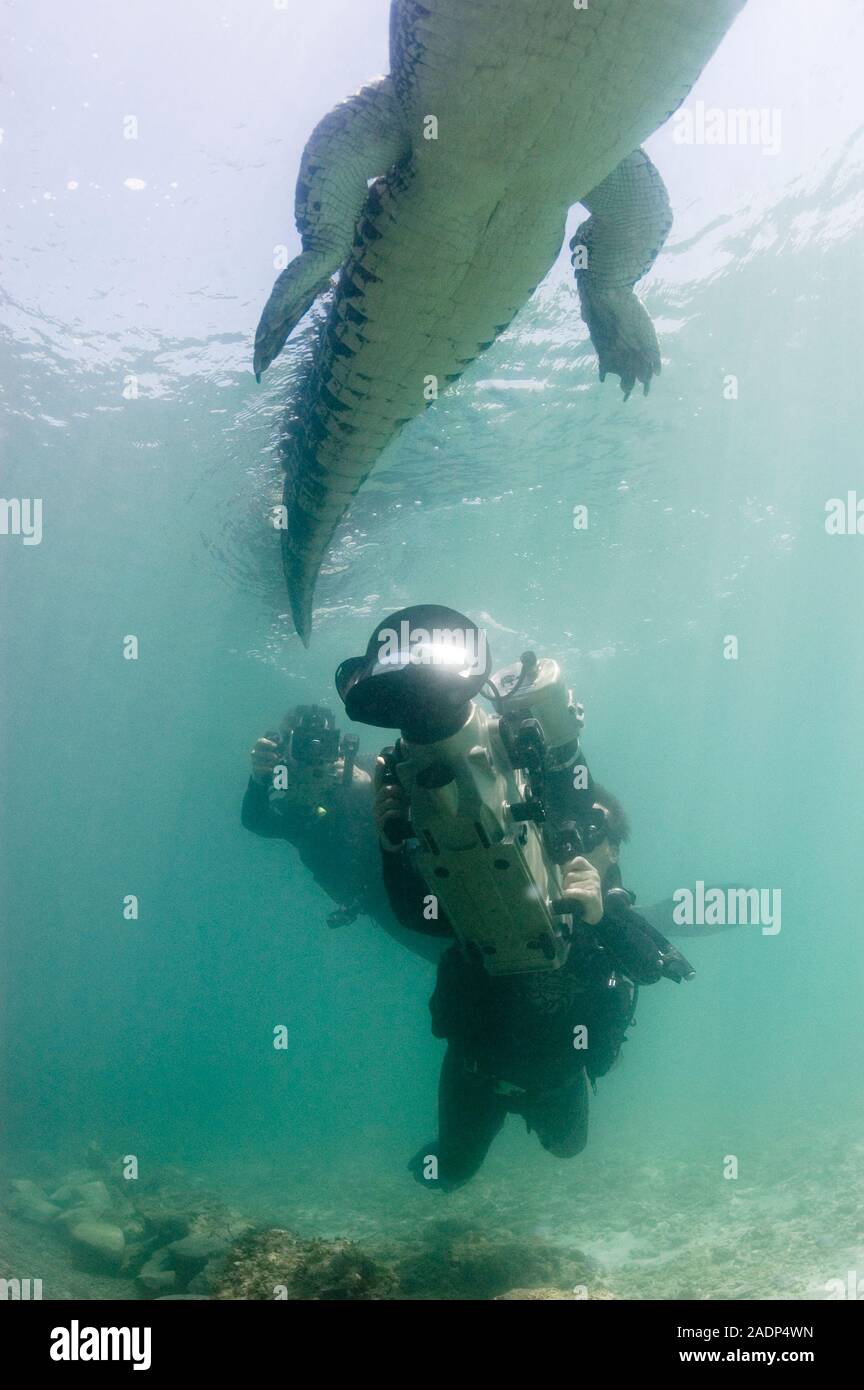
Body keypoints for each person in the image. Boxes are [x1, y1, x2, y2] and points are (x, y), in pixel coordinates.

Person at [374, 769, 652, 1188]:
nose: (570, 844)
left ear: (613, 851)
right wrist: (392, 846)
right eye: (562, 828)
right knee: (450, 1174)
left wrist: (598, 920)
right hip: (475, 1073)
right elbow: (418, 914)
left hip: (556, 1082)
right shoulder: (500, 886)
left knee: (567, 1147)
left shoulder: (616, 921)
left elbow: (649, 966)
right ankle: (448, 1157)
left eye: (590, 833)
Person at [241, 704, 444, 962]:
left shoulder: (368, 768)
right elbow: (256, 821)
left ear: (337, 746)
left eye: (323, 744)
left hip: (428, 877)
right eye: (302, 746)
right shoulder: (295, 808)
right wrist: (259, 780)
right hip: (382, 904)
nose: (314, 753)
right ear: (286, 754)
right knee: (448, 957)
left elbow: (432, 799)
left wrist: (375, 785)